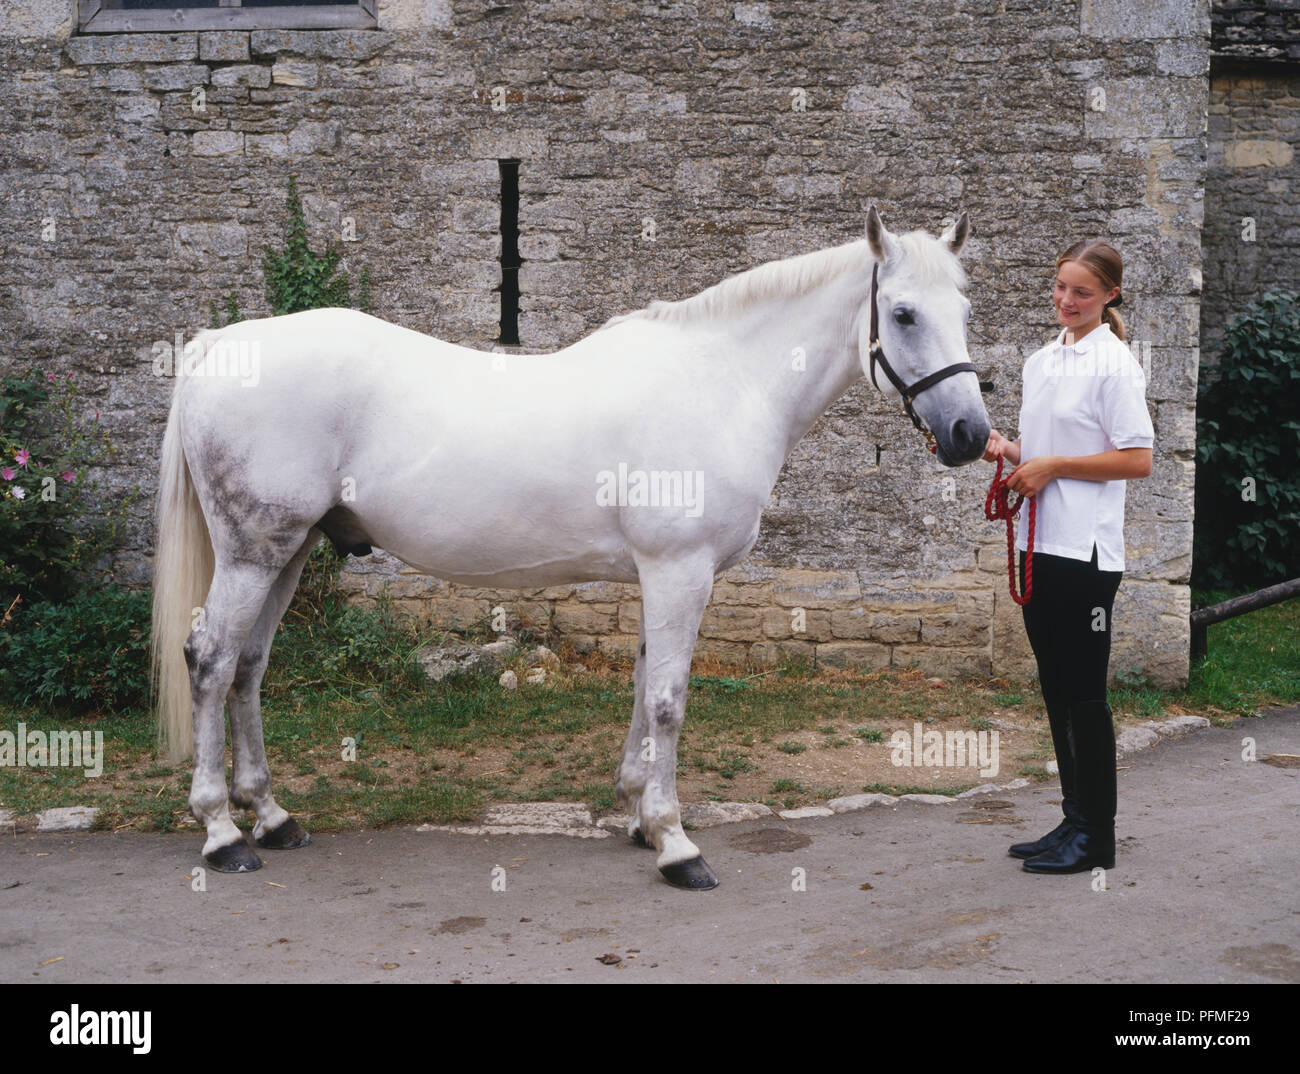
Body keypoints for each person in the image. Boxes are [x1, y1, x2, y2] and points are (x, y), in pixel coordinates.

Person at [982, 239, 1154, 874]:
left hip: (1084, 553)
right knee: (1056, 687)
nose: (1066, 301)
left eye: (1082, 292)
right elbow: (1047, 446)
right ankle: (1072, 819)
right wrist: (1013, 450)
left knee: (1084, 692)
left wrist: (1052, 467)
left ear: (1110, 295)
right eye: (1059, 287)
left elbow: (1137, 458)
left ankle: (1097, 836)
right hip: (1037, 543)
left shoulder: (1116, 366)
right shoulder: (1041, 361)